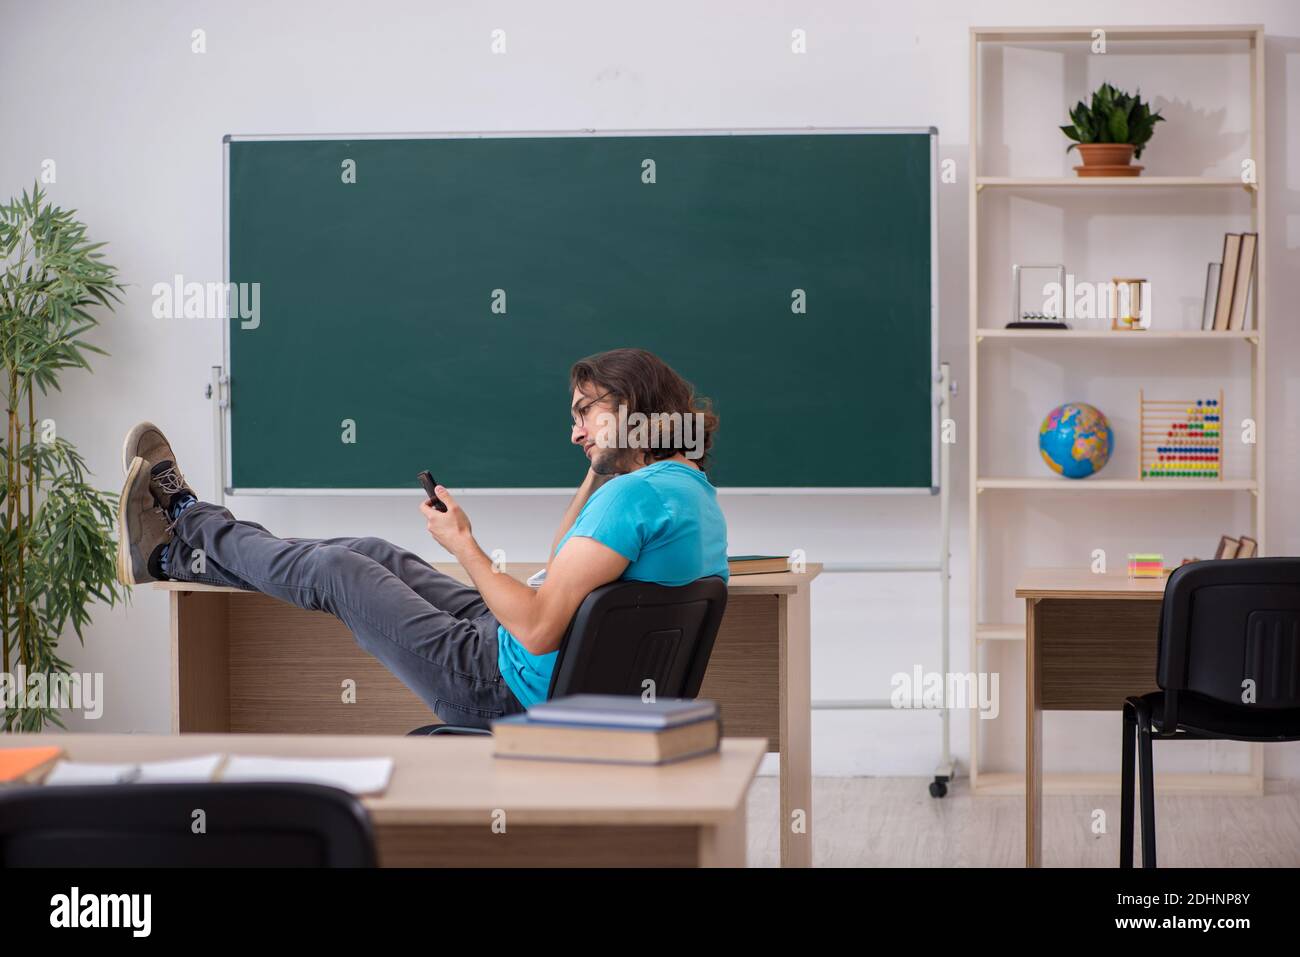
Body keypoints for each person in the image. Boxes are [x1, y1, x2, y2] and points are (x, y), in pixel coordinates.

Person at [116, 347, 729, 728]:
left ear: (630, 406)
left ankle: (188, 518)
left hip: (498, 684)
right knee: (373, 553)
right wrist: (598, 465)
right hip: (537, 664)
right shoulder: (688, 489)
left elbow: (540, 625)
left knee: (337, 571)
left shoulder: (636, 497)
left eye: (584, 413)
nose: (574, 433)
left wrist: (463, 544)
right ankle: (169, 555)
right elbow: (559, 567)